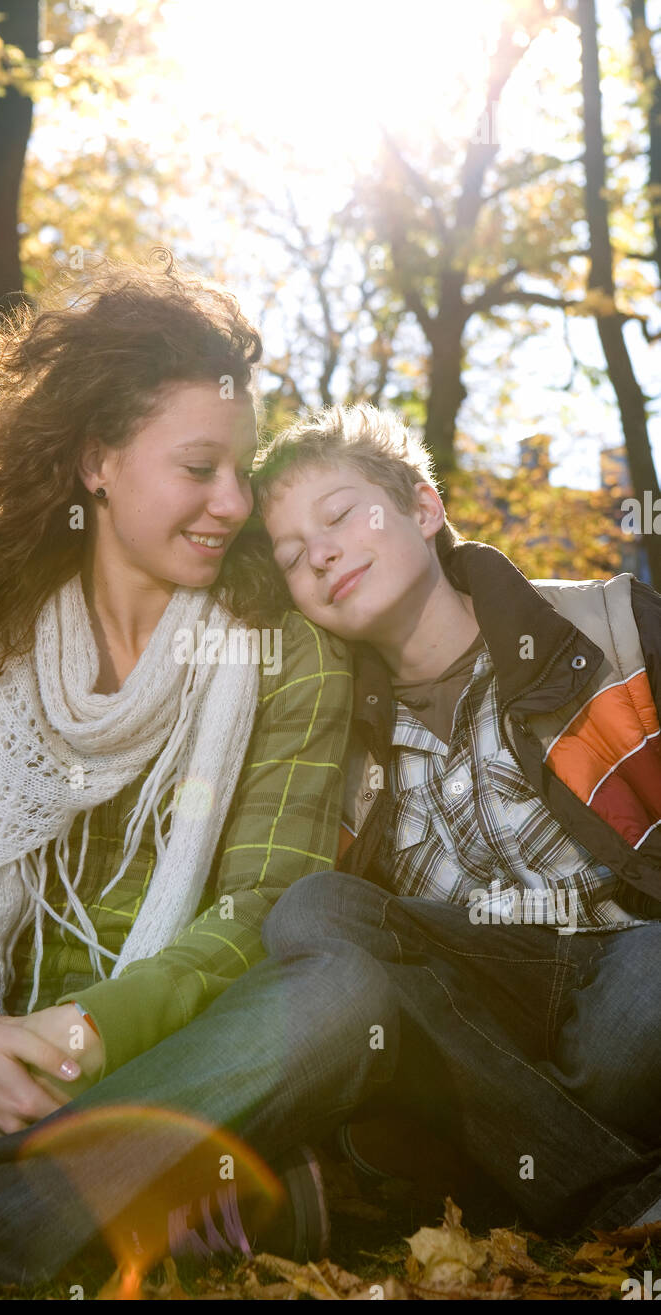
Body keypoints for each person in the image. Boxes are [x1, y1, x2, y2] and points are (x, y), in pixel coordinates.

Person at [0, 253, 371, 1296]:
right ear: (97, 458)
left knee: (340, 992)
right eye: (199, 469)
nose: (232, 502)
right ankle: (157, 1188)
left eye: (241, 471)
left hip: (170, 1054)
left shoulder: (282, 647)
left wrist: (86, 1034)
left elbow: (256, 909)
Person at [251, 399, 661, 1236]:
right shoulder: (334, 744)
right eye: (292, 556)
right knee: (314, 910)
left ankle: (500, 1148)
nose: (320, 552)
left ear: (424, 508)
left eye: (338, 516)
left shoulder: (611, 628)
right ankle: (610, 1194)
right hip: (471, 1011)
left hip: (627, 964)